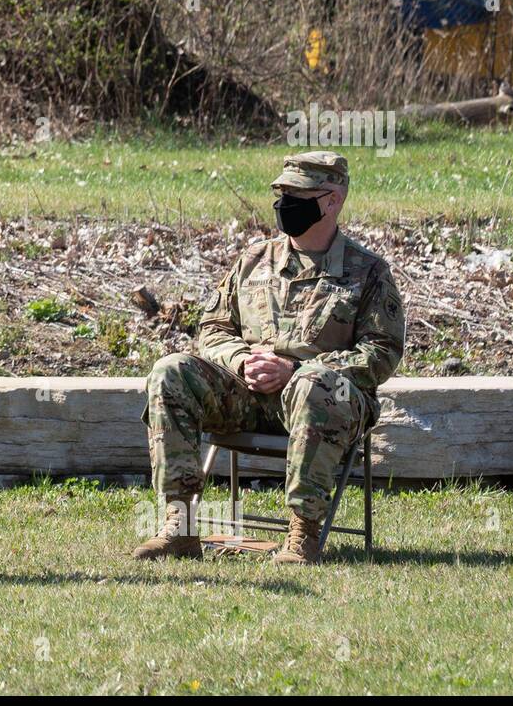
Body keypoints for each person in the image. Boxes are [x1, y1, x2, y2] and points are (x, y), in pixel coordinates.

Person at [133, 151, 405, 564]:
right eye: (281, 193)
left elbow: (381, 355)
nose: (284, 204)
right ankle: (180, 526)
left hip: (326, 402)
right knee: (170, 371)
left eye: (297, 194)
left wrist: (297, 369)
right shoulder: (253, 261)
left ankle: (303, 533)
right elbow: (213, 329)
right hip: (248, 394)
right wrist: (243, 361)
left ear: (332, 200)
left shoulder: (368, 272)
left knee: (313, 385)